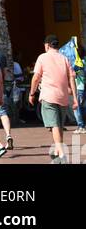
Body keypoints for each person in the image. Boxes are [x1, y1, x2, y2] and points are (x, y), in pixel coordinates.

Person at [28, 34, 79, 164]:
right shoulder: (64, 58)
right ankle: (57, 154)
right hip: (63, 97)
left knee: (54, 125)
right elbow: (72, 78)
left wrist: (32, 93)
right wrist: (74, 98)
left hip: (48, 97)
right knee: (59, 126)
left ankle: (61, 153)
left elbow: (36, 77)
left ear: (47, 45)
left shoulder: (42, 57)